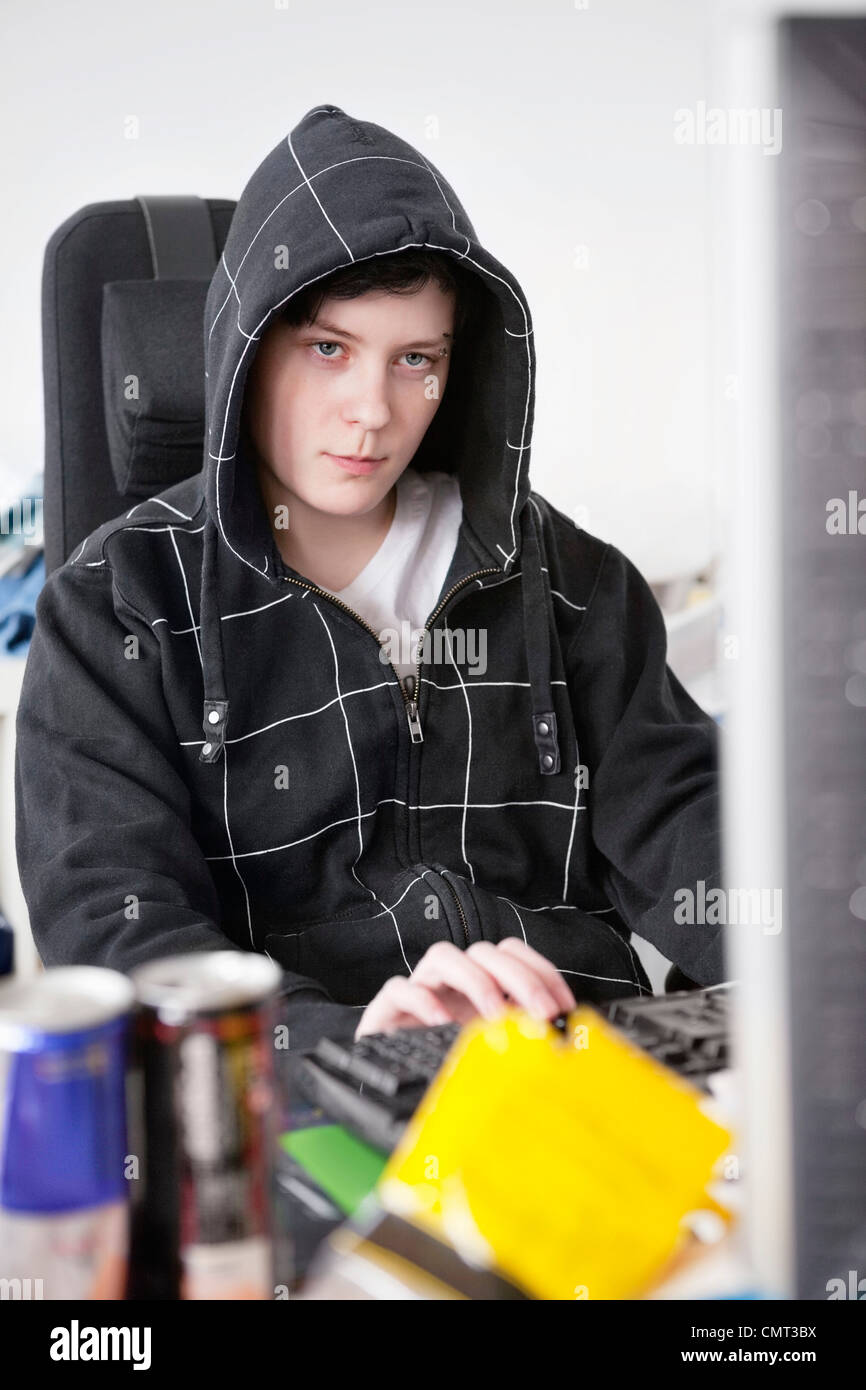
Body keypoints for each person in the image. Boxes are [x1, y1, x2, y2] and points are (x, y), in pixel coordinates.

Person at [14, 104, 725, 1052]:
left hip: (578, 1074)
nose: (371, 414)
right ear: (246, 349)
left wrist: (805, 957)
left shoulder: (570, 582)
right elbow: (118, 929)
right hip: (302, 1103)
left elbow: (692, 825)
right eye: (328, 349)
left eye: (415, 361)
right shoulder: (116, 606)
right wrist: (330, 1044)